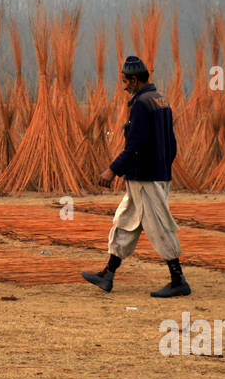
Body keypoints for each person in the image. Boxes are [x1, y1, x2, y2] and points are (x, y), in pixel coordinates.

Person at [82, 55, 191, 297]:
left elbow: (136, 146)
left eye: (125, 81)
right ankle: (108, 275)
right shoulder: (160, 101)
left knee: (159, 226)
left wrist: (112, 170)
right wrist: (163, 169)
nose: (123, 86)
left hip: (146, 179)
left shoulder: (142, 104)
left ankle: (178, 280)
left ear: (134, 80)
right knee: (126, 221)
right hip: (153, 176)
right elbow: (172, 144)